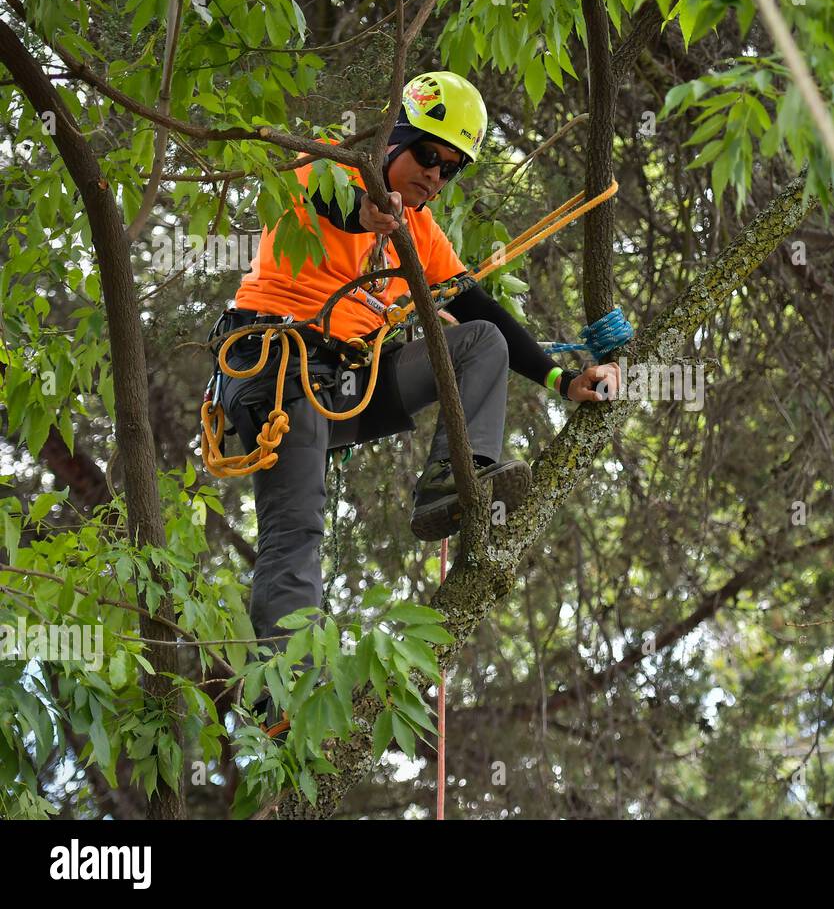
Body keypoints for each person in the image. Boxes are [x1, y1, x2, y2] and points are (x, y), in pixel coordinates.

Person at [212, 71, 620, 684]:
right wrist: (371, 209)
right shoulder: (325, 170)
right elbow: (338, 206)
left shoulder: (420, 235)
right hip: (279, 369)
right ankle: (282, 698)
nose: (433, 173)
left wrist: (563, 382)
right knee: (296, 527)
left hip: (350, 382)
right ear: (394, 138)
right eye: (427, 153)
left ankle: (453, 482)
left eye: (450, 167)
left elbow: (484, 311)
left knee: (477, 340)